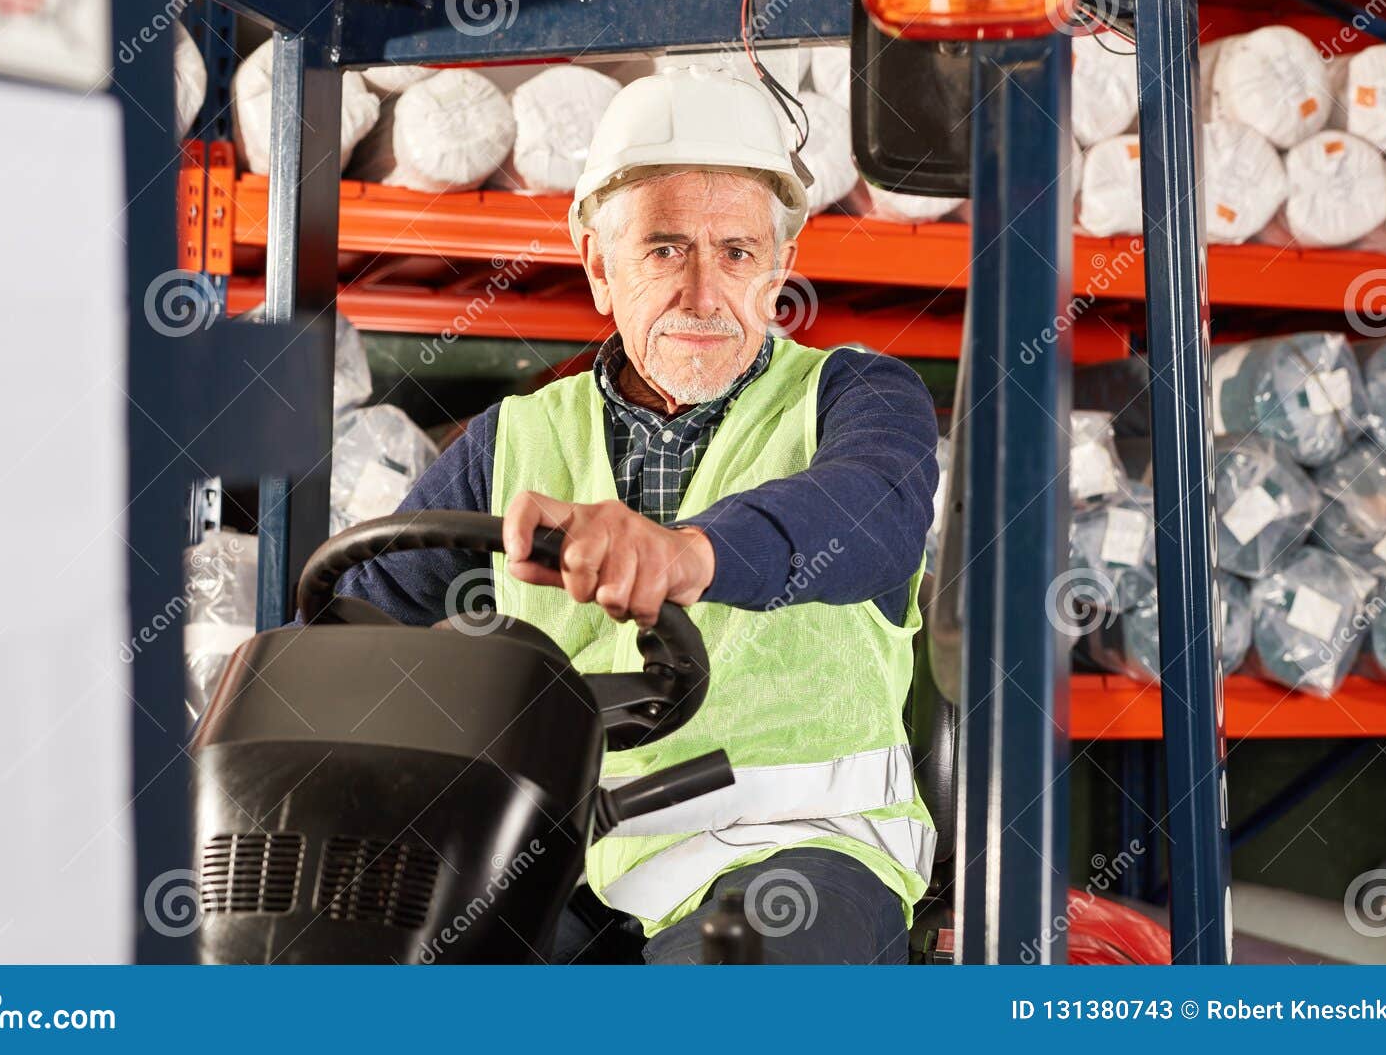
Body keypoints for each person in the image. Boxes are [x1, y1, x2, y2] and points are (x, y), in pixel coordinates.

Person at [327, 65, 939, 963]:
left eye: (737, 253)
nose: (703, 293)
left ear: (780, 270)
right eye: (664, 249)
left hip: (805, 847)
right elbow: (354, 624)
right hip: (569, 860)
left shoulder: (860, 398)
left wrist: (685, 554)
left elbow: (870, 511)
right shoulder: (512, 441)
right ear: (597, 266)